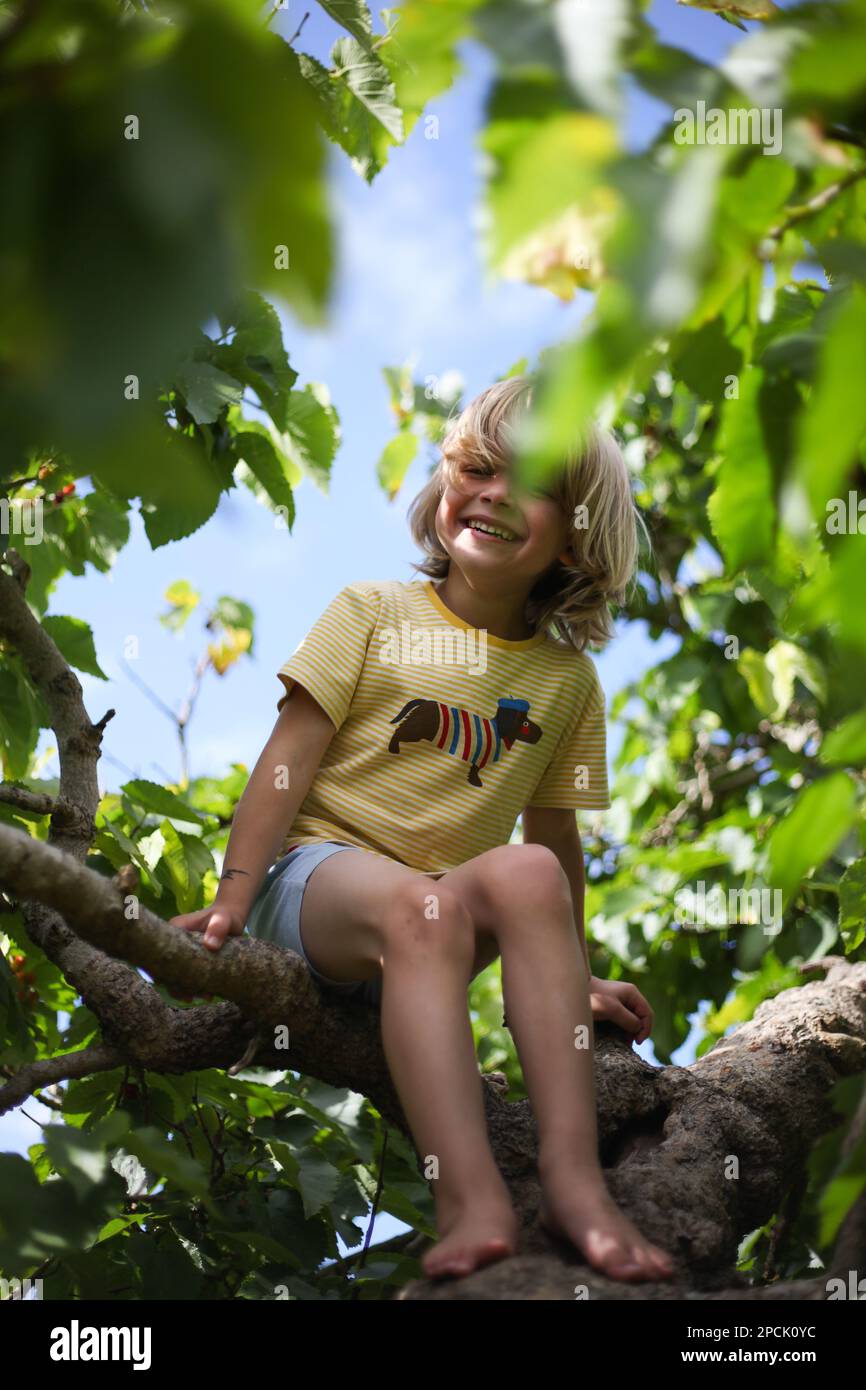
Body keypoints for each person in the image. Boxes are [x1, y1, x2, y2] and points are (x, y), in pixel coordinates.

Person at [169, 374, 675, 1284]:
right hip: (314, 886)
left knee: (522, 877)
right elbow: (285, 759)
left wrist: (579, 972)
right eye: (475, 468)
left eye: (526, 484)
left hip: (432, 932)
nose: (489, 493)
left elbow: (554, 851)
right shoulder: (371, 611)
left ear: (576, 533)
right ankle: (468, 1198)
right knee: (428, 913)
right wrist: (232, 899)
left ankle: (572, 1179)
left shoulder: (568, 687)